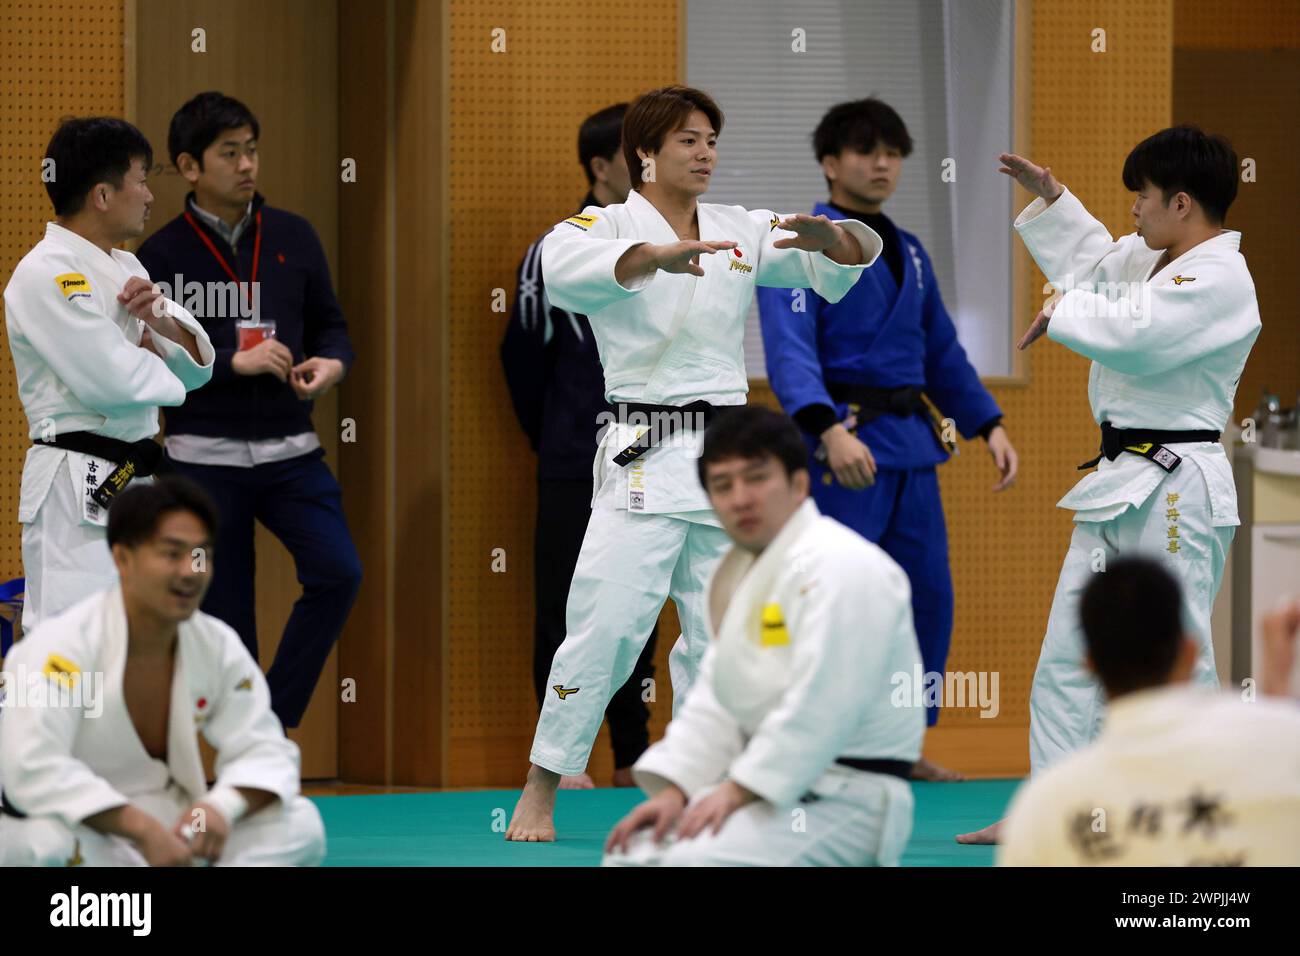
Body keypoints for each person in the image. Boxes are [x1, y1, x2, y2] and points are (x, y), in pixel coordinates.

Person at [506, 85, 881, 841]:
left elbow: (846, 257)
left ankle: (713, 794)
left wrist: (829, 241)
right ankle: (541, 787)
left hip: (723, 459)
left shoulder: (739, 227)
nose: (706, 152)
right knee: (606, 629)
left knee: (725, 637)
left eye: (711, 139)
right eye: (688, 140)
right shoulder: (603, 223)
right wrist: (652, 255)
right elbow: (563, 267)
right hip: (642, 452)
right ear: (643, 153)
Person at [959, 127, 1261, 844]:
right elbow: (1098, 266)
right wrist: (1056, 201)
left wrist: (1063, 309)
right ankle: (1057, 809)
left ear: (1182, 203)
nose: (1133, 211)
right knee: (1068, 653)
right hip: (1117, 482)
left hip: (1180, 486)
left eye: (1143, 199)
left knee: (1176, 651)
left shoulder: (1222, 279)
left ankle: (1202, 808)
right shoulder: (1151, 256)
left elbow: (1140, 334)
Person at [757, 99, 1018, 781]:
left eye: (894, 152)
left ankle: (900, 743)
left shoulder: (913, 253)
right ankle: (822, 747)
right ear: (830, 163)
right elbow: (789, 350)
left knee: (925, 597)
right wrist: (819, 427)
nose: (883, 164)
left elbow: (943, 351)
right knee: (836, 600)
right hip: (842, 443)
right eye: (867, 151)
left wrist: (987, 422)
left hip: (911, 446)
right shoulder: (797, 239)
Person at [602, 407, 924, 866]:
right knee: (633, 854)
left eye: (756, 478)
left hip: (847, 800)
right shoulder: (743, 576)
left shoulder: (845, 565)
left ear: (798, 483)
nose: (740, 499)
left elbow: (825, 700)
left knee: (680, 863)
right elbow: (718, 699)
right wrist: (677, 789)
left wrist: (739, 788)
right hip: (772, 793)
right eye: (723, 486)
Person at [136, 92, 361, 730]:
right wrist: (229, 358)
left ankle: (272, 715)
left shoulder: (292, 235)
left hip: (293, 455)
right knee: (226, 613)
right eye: (229, 153)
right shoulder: (162, 254)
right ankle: (238, 754)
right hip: (201, 465)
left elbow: (333, 328)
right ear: (189, 166)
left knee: (338, 572)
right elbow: (149, 361)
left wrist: (331, 365)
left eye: (252, 150)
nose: (246, 165)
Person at [0, 477, 325, 866]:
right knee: (44, 847)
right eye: (171, 554)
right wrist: (142, 831)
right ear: (122, 559)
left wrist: (216, 810)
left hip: (167, 817)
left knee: (299, 825)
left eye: (200, 555)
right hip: (76, 821)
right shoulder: (60, 647)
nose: (190, 571)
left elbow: (265, 748)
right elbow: (30, 769)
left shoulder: (214, 643)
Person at [3, 117, 214, 634]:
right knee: (70, 647)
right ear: (102, 193)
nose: (148, 195)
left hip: (134, 481)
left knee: (134, 641)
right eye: (140, 180)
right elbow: (112, 382)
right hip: (76, 482)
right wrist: (150, 360)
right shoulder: (45, 272)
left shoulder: (125, 266)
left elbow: (194, 374)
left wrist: (159, 323)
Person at [500, 103, 657, 788]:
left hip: (649, 452)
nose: (652, 166)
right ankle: (562, 764)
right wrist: (560, 437)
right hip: (572, 456)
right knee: (568, 609)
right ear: (602, 166)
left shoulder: (667, 245)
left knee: (639, 606)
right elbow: (523, 360)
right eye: (638, 154)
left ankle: (631, 755)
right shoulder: (557, 250)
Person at [998, 557, 1300, 866]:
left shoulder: (1047, 806)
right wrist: (1277, 685)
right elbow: (1282, 749)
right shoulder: (1283, 748)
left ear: (1088, 665)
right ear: (1190, 652)